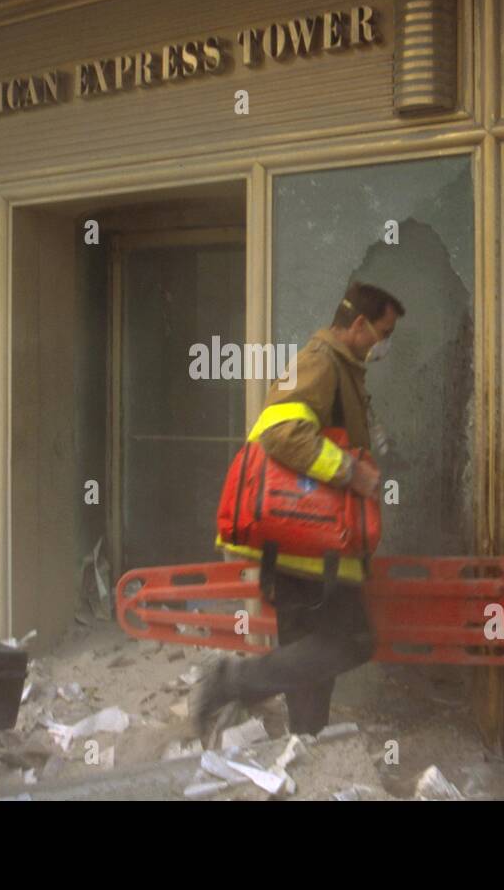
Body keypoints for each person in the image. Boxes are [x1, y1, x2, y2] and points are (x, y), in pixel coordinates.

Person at [194, 281, 404, 736]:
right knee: (353, 640)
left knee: (310, 647)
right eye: (383, 332)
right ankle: (232, 681)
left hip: (304, 547)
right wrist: (351, 471)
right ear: (360, 324)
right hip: (309, 548)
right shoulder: (319, 362)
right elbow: (283, 433)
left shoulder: (337, 366)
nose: (384, 344)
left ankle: (305, 742)